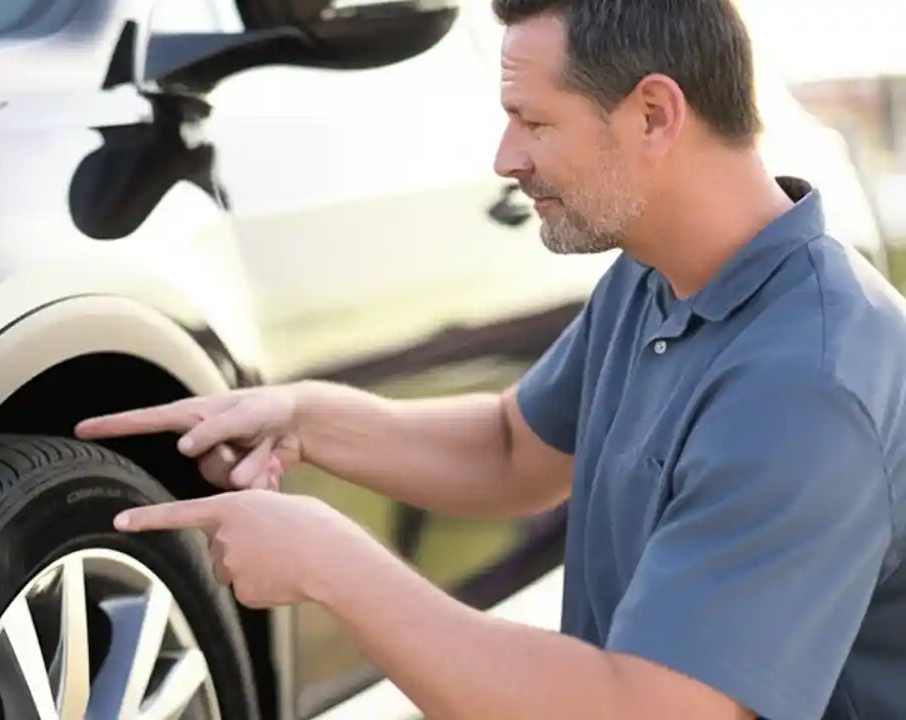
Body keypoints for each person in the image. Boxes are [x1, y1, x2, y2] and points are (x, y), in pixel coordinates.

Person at [76, 0, 906, 717]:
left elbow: (647, 711)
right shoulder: (658, 276)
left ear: (654, 115)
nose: (505, 159)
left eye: (535, 121)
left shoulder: (809, 385)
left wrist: (329, 564)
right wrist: (303, 419)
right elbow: (513, 451)